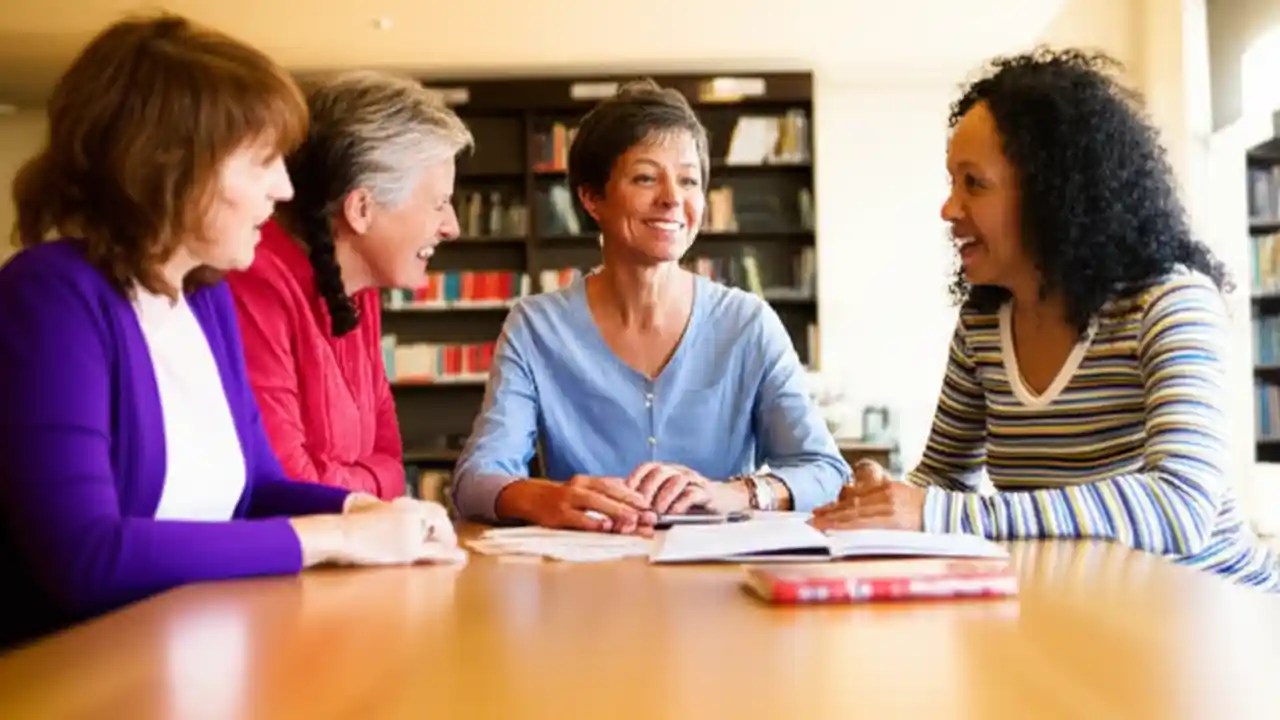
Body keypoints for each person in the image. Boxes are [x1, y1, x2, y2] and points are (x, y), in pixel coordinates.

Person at [0, 14, 463, 647]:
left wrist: (369, 511)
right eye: (262, 161)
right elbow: (84, 554)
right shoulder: (50, 295)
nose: (284, 187)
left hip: (203, 651)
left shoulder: (206, 299)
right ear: (173, 166)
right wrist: (340, 536)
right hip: (87, 672)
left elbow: (258, 487)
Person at [811, 48, 1280, 592]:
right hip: (1086, 613)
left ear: (1051, 193)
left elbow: (1179, 507)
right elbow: (942, 480)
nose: (948, 209)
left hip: (1220, 617)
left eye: (974, 184)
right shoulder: (984, 325)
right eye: (951, 182)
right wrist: (884, 497)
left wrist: (933, 510)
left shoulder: (1170, 303)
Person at [451, 80, 849, 534]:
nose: (672, 198)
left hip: (720, 584)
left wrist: (735, 493)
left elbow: (827, 472)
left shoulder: (748, 323)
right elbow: (474, 480)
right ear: (591, 197)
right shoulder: (537, 326)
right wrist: (548, 497)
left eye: (688, 180)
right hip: (586, 578)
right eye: (645, 177)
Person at [226, 71, 472, 500]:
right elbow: (288, 486)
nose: (451, 227)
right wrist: (367, 480)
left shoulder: (358, 291)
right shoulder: (253, 282)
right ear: (361, 208)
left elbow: (392, 462)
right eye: (439, 204)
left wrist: (356, 479)